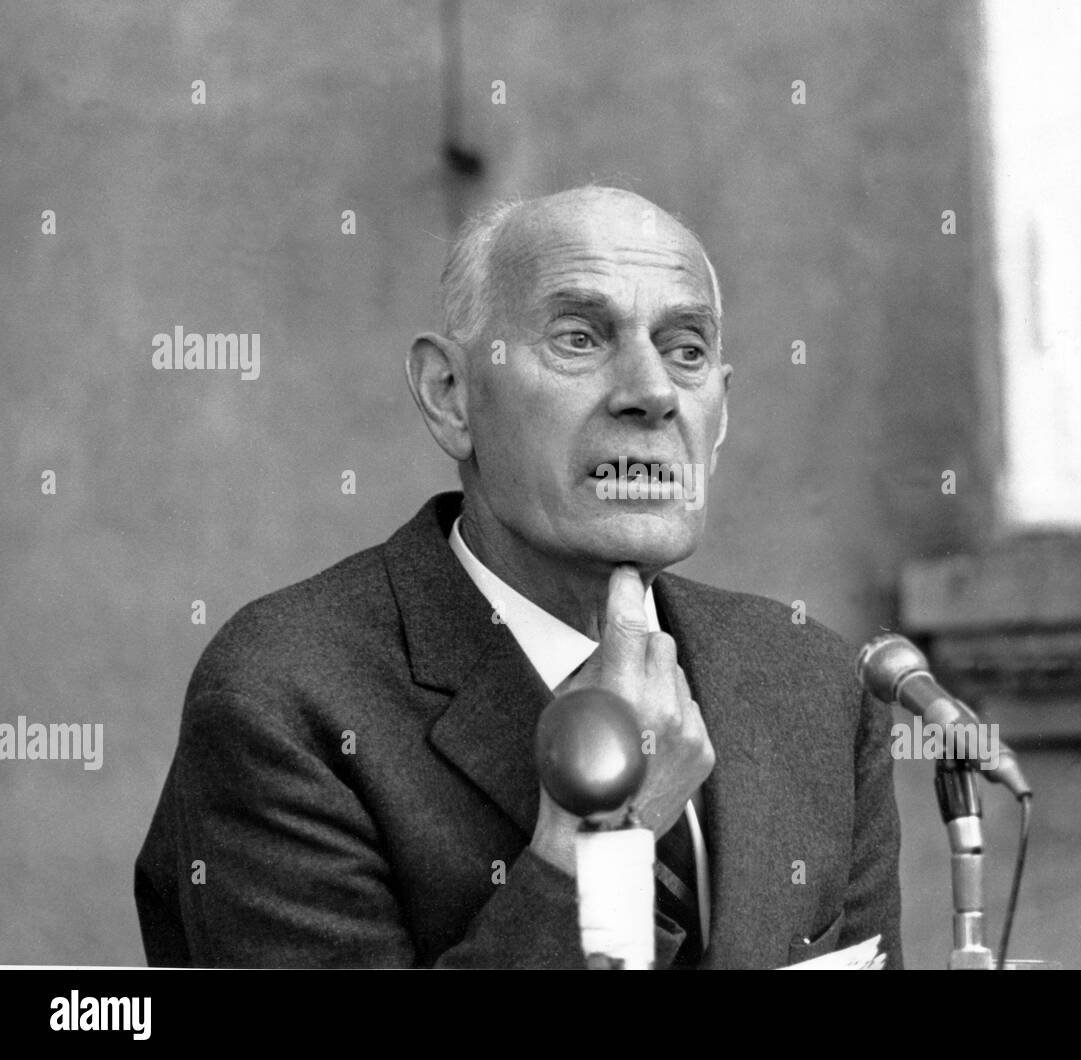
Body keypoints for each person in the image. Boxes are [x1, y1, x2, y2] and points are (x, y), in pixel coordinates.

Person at [134, 185, 903, 969]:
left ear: (722, 415)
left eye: (687, 350)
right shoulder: (285, 695)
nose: (652, 392)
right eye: (578, 338)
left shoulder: (813, 684)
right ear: (451, 395)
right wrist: (605, 832)